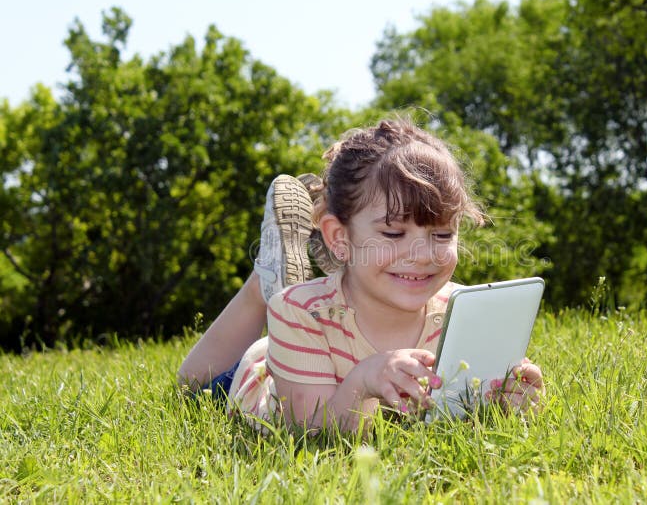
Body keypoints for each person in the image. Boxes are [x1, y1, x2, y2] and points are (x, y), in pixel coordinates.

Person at [178, 118, 544, 431]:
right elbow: (311, 433)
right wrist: (363, 381)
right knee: (193, 387)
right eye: (393, 233)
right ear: (340, 236)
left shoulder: (465, 312)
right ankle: (264, 285)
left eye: (442, 234)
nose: (421, 256)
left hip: (314, 328)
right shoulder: (302, 316)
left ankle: (288, 281)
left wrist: (509, 401)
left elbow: (468, 410)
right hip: (273, 376)